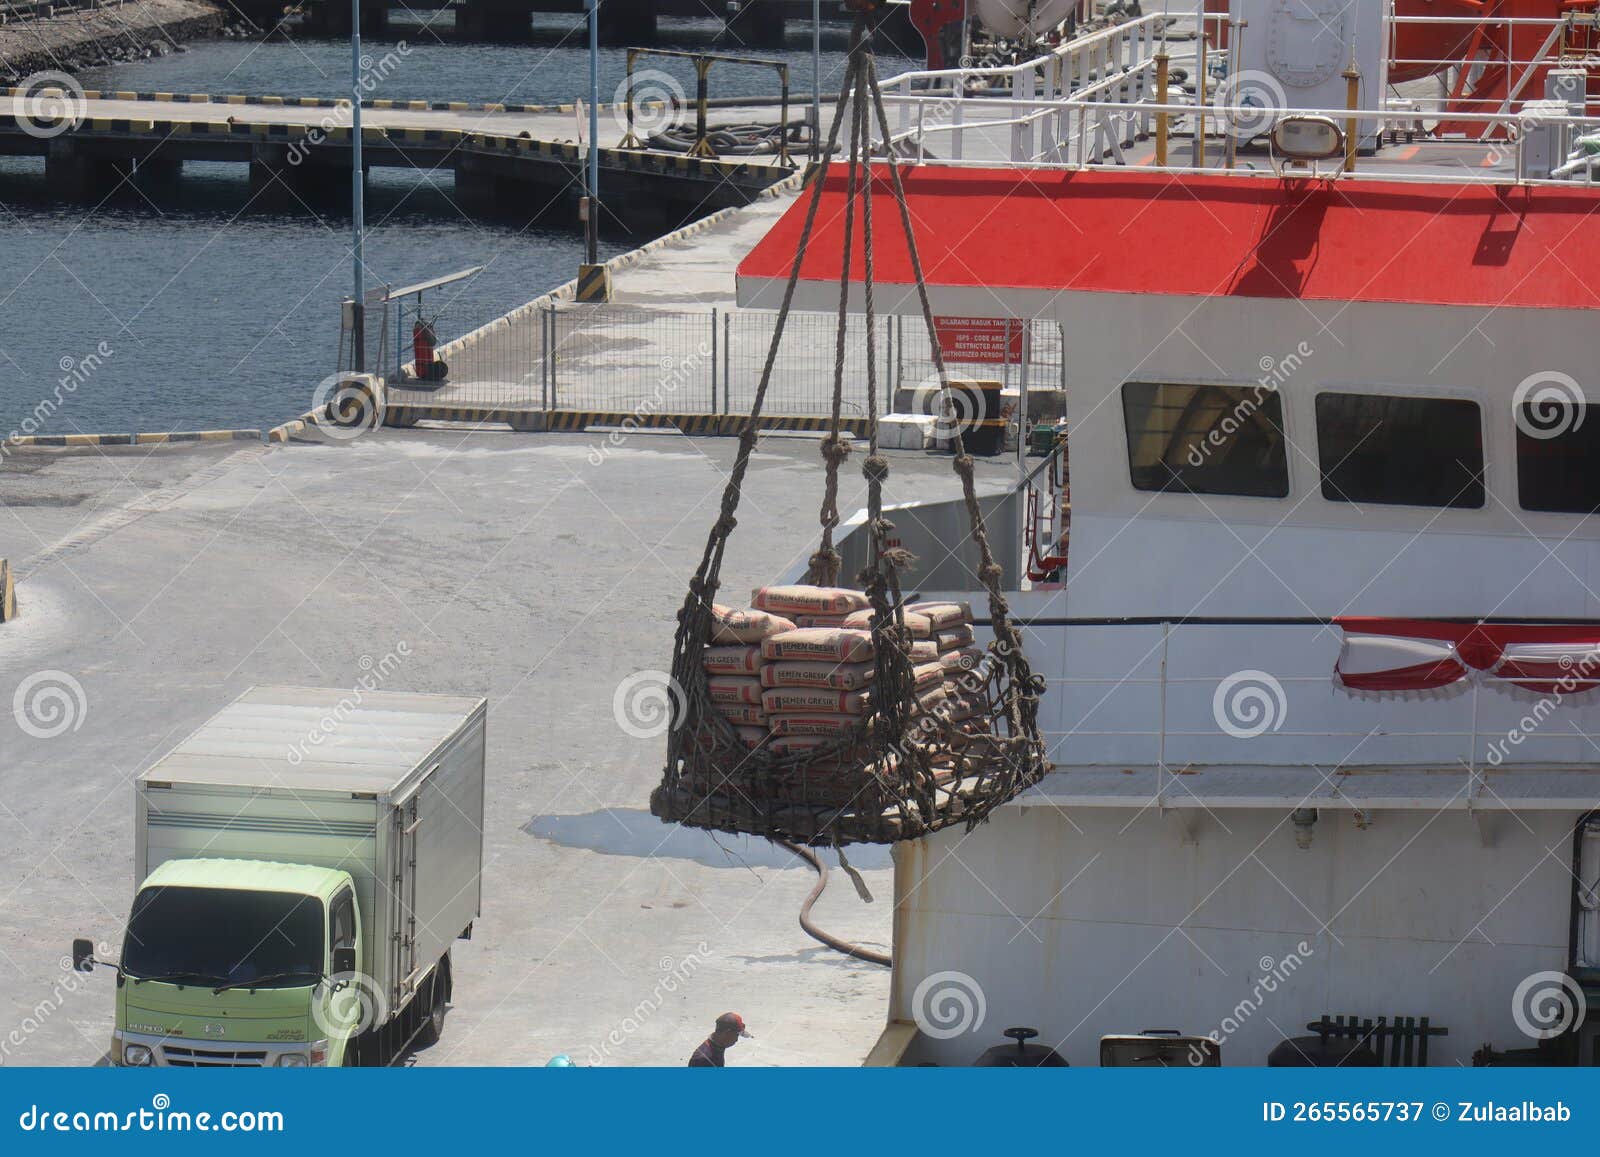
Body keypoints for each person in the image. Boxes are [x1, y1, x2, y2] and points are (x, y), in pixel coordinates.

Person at [687, 1012, 752, 1067]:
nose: (736, 1040)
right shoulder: (703, 1059)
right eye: (737, 1035)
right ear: (727, 1033)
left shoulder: (717, 1046)